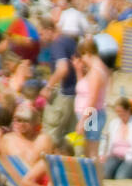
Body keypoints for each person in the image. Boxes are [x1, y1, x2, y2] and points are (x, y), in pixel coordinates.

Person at [40, 15, 78, 148]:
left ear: (49, 29)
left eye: (42, 33)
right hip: (77, 95)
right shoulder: (69, 41)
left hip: (64, 95)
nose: (41, 37)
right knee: (72, 137)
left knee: (52, 136)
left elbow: (63, 69)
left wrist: (48, 87)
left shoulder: (57, 44)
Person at [73, 38, 110, 158]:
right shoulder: (97, 69)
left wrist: (83, 120)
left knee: (91, 151)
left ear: (87, 53)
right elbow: (85, 90)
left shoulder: (96, 71)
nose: (82, 60)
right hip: (92, 113)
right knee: (88, 149)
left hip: (93, 114)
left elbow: (92, 98)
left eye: (82, 55)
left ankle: (95, 175)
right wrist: (78, 71)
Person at [100, 97, 132, 179]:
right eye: (117, 112)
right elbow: (106, 143)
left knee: (121, 177)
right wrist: (103, 156)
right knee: (105, 175)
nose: (119, 114)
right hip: (115, 157)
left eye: (121, 112)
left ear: (128, 110)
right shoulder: (114, 123)